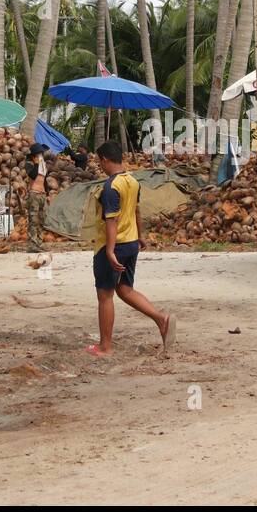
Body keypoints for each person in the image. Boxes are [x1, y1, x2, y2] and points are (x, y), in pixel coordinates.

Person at [86, 140, 174, 357]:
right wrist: (140, 235)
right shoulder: (133, 182)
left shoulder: (110, 187)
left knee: (105, 296)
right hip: (131, 243)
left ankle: (105, 347)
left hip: (114, 245)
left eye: (100, 162)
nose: (100, 166)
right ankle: (161, 318)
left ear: (105, 160)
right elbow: (136, 211)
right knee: (125, 289)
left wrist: (109, 250)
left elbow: (111, 221)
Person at [24, 143, 50, 252]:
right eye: (38, 155)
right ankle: (32, 244)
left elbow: (44, 181)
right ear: (34, 157)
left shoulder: (43, 167)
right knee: (33, 220)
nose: (41, 157)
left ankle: (39, 242)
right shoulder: (30, 166)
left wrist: (47, 195)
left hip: (42, 195)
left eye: (41, 155)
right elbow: (33, 175)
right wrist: (37, 164)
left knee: (42, 219)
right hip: (34, 194)